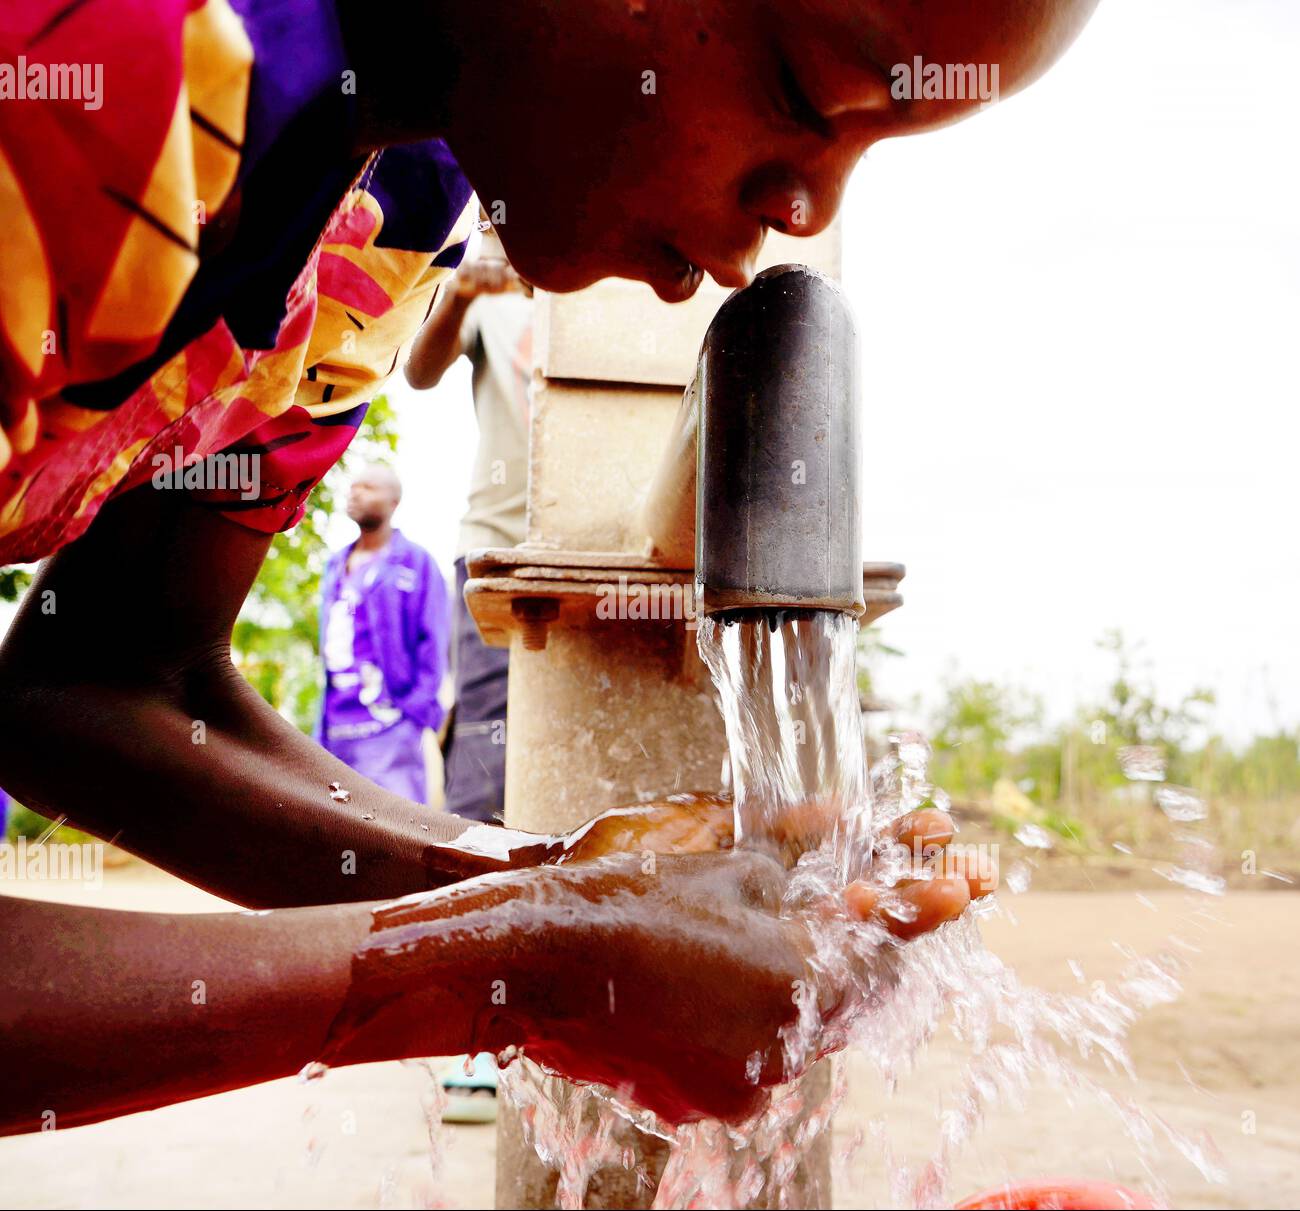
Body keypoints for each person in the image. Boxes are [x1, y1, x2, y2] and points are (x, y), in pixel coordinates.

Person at [0, 0, 1098, 1135]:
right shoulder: (90, 57)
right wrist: (523, 967)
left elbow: (105, 685)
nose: (800, 213)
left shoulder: (390, 209)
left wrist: (550, 887)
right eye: (803, 97)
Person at [404, 228, 531, 1118]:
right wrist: (459, 288)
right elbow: (415, 370)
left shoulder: (649, 271)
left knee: (605, 793)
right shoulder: (499, 265)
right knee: (481, 789)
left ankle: (582, 1020)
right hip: (496, 555)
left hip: (620, 559)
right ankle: (477, 1035)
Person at [318, 465, 448, 806]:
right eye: (353, 487)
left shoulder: (417, 563)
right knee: (336, 826)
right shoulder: (334, 565)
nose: (356, 493)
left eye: (368, 487)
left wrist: (415, 711)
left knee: (396, 829)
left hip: (390, 727)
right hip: (335, 729)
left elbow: (434, 641)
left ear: (393, 502)